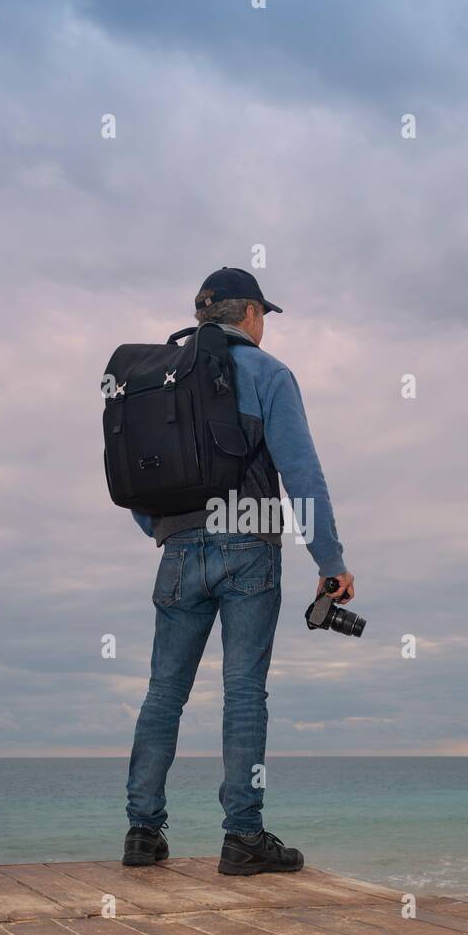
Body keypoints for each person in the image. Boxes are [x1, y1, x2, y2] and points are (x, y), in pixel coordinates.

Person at [123, 266, 354, 875]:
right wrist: (330, 562)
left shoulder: (161, 379)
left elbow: (134, 474)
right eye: (263, 316)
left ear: (204, 315)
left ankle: (143, 833)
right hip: (248, 544)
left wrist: (166, 531)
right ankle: (242, 837)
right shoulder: (268, 373)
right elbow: (302, 474)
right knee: (244, 692)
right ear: (251, 313)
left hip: (177, 552)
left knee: (163, 693)